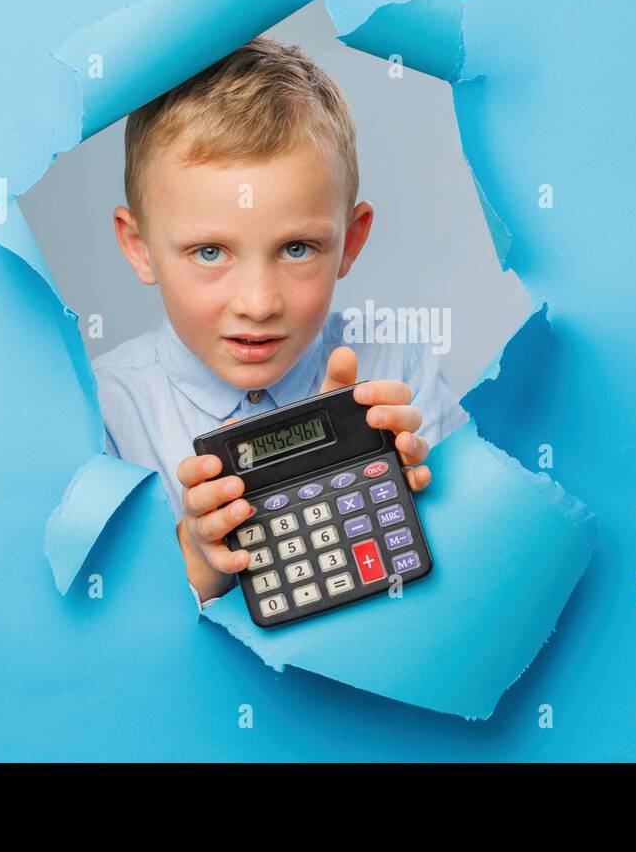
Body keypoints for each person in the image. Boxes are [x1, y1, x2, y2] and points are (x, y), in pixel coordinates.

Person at [92, 36, 468, 612]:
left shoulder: (396, 365)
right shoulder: (106, 411)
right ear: (139, 248)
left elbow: (475, 574)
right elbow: (102, 637)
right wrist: (195, 557)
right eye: (210, 253)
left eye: (297, 248)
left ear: (351, 240)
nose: (259, 303)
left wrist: (420, 499)